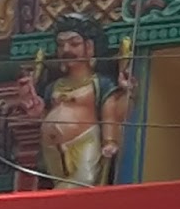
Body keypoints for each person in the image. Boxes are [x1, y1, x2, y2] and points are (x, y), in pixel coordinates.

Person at [15, 14, 133, 189]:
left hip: (85, 141)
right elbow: (46, 113)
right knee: (61, 186)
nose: (66, 49)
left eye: (74, 43)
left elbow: (110, 115)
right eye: (61, 45)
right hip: (52, 149)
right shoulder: (53, 86)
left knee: (84, 181)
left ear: (89, 47)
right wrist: (36, 110)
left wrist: (110, 141)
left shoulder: (100, 83)